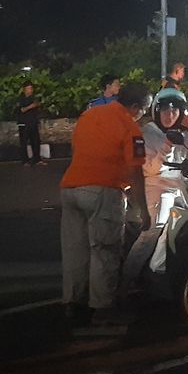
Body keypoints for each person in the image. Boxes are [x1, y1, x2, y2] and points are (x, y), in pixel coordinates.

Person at [59, 81, 150, 332]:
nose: (143, 114)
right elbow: (136, 172)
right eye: (144, 108)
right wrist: (142, 209)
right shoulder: (130, 127)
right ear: (135, 106)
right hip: (103, 191)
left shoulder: (90, 114)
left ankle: (72, 303)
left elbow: (78, 147)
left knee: (75, 251)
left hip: (70, 188)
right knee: (105, 251)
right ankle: (103, 310)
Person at [141, 87, 188, 230]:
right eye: (164, 110)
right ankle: (140, 253)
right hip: (157, 187)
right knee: (156, 228)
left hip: (183, 190)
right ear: (156, 112)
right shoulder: (148, 133)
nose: (169, 115)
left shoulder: (185, 137)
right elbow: (150, 169)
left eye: (174, 111)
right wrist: (166, 148)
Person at [16, 81, 45, 166]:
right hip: (24, 123)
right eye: (28, 89)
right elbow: (22, 110)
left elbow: (38, 106)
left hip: (33, 122)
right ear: (24, 89)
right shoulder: (20, 99)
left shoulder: (33, 98)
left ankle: (37, 159)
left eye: (31, 88)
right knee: (24, 142)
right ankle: (25, 160)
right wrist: (30, 106)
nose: (30, 90)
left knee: (36, 141)